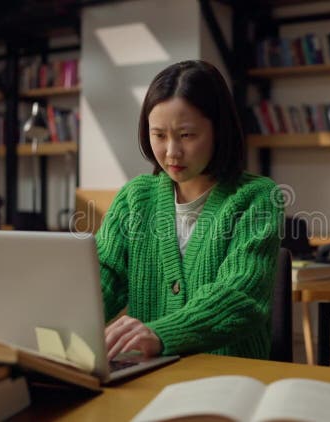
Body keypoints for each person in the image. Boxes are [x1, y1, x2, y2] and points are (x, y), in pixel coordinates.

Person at [97, 60, 284, 361]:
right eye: (159, 135)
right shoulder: (134, 198)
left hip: (228, 380)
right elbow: (103, 277)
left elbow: (239, 297)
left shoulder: (257, 198)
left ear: (218, 131)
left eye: (186, 135)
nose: (172, 152)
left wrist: (160, 334)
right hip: (150, 378)